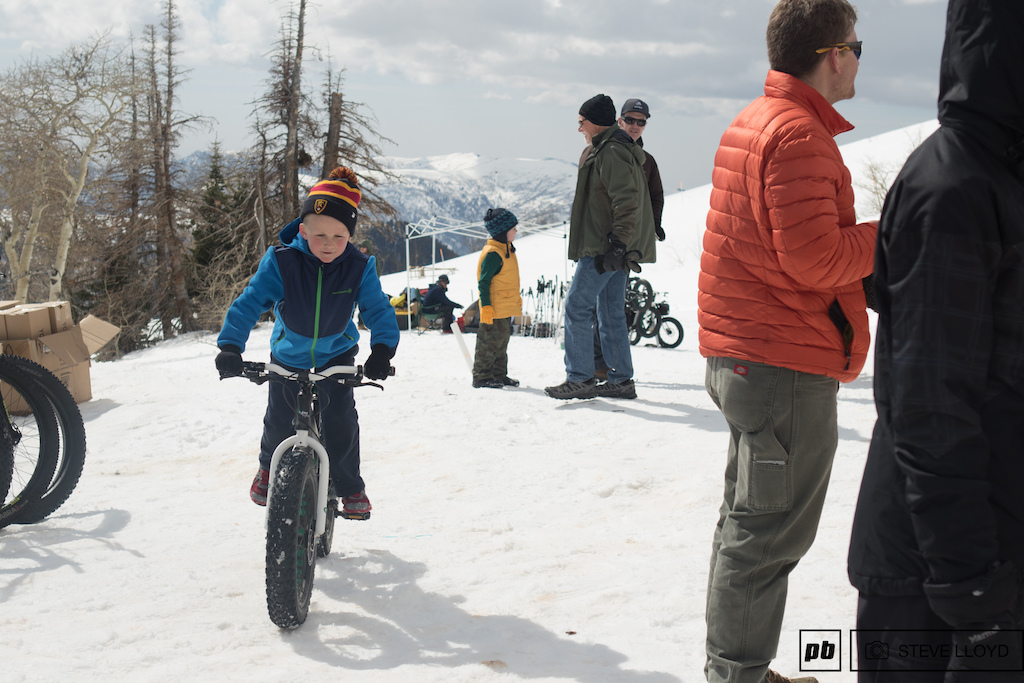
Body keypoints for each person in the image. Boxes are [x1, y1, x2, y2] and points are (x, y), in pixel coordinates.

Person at [697, 1, 876, 681]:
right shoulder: (799, 135)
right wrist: (886, 237)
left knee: (746, 526)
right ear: (832, 53)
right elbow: (814, 257)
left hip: (747, 356)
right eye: (859, 45)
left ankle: (738, 666)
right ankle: (737, 673)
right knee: (766, 536)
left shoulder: (755, 120)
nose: (860, 57)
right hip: (780, 367)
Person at [847, 0, 1024, 679]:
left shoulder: (1003, 177)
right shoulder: (953, 188)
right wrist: (969, 584)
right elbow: (927, 405)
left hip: (990, 552)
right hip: (936, 579)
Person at [214, 166, 399, 521]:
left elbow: (377, 308)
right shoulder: (282, 261)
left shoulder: (359, 267)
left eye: (339, 236)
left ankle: (350, 487)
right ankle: (269, 469)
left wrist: (382, 351)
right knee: (279, 416)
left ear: (351, 235)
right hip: (289, 351)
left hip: (336, 353)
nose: (329, 244)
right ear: (302, 230)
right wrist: (231, 346)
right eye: (319, 236)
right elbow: (251, 301)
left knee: (340, 418)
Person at [544, 93, 656, 401]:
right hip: (612, 247)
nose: (579, 128)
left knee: (577, 306)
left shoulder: (610, 152)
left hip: (603, 247)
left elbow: (627, 200)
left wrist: (618, 245)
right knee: (610, 312)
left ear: (594, 122)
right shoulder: (609, 149)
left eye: (581, 122)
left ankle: (580, 377)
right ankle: (620, 379)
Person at [593, 97, 667, 379]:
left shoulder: (647, 161)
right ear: (620, 120)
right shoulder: (606, 151)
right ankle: (598, 366)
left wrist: (654, 225)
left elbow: (655, 197)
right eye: (631, 120)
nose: (636, 126)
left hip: (628, 246)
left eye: (642, 122)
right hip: (603, 241)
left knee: (612, 308)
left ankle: (611, 370)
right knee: (593, 306)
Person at [471, 208, 522, 389]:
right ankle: (482, 376)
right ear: (502, 231)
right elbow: (483, 283)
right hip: (492, 309)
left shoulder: (506, 250)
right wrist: (485, 306)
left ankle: (499, 374)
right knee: (488, 343)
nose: (516, 231)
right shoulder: (493, 253)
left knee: (501, 342)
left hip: (504, 307)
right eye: (513, 228)